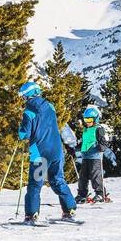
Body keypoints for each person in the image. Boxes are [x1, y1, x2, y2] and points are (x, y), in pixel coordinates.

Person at [17, 81, 77, 224]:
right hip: (56, 152)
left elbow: (24, 134)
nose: (23, 99)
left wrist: (20, 130)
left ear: (28, 95)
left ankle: (32, 214)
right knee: (57, 180)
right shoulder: (50, 107)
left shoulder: (28, 112)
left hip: (40, 155)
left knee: (35, 184)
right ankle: (69, 210)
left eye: (24, 96)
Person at [64, 104, 111, 203]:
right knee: (82, 177)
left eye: (90, 120)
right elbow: (83, 143)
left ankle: (100, 193)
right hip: (86, 157)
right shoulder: (86, 130)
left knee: (95, 176)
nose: (87, 122)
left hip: (95, 156)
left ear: (96, 119)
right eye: (86, 120)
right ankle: (82, 194)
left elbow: (104, 142)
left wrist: (101, 147)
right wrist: (73, 149)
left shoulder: (99, 129)